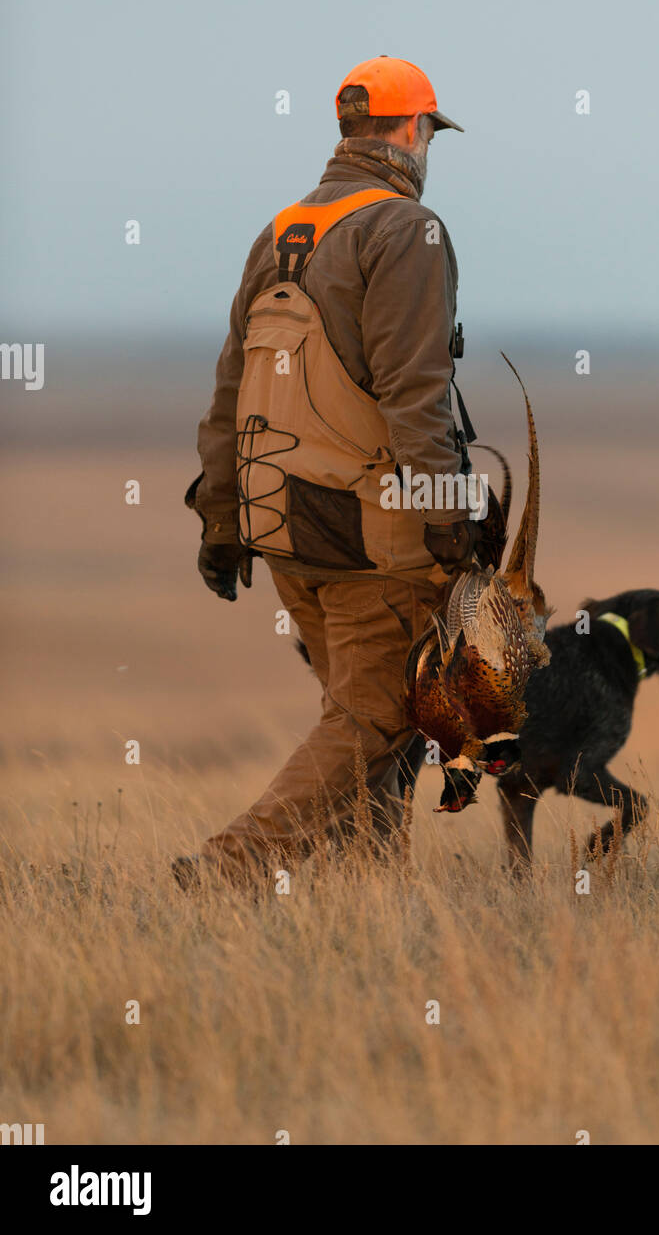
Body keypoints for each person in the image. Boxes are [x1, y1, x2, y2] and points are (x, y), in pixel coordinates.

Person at [176, 56, 478, 886]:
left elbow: (230, 392)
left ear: (347, 128)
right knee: (379, 718)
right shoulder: (405, 231)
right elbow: (416, 396)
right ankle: (225, 872)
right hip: (370, 532)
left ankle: (367, 909)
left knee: (362, 731)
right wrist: (450, 518)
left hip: (281, 528)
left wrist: (223, 521)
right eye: (430, 132)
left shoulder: (279, 230)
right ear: (416, 130)